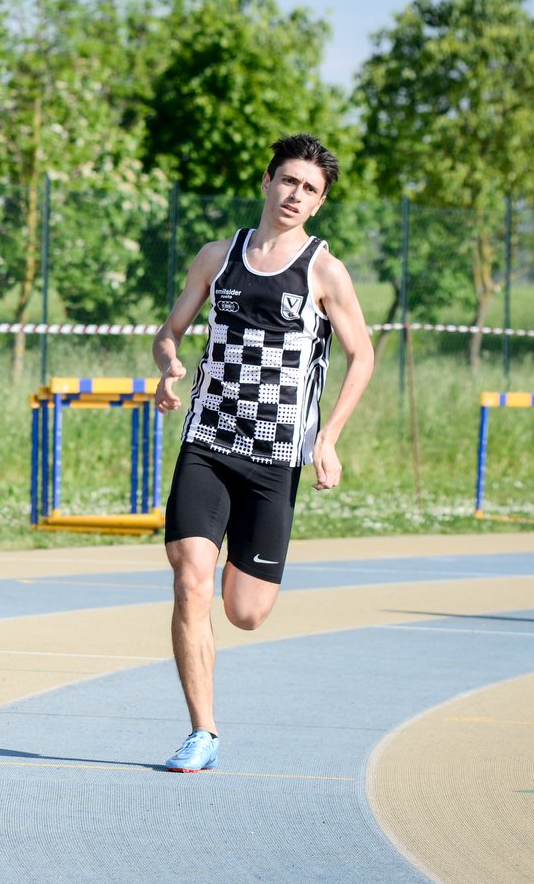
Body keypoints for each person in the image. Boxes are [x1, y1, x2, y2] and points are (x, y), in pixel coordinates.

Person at [152, 134, 374, 772]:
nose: (294, 195)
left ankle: (240, 563)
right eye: (288, 181)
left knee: (244, 612)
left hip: (274, 459)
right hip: (209, 442)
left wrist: (327, 439)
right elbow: (170, 333)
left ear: (319, 202)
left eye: (309, 189)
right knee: (190, 583)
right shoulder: (217, 258)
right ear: (267, 182)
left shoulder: (324, 272)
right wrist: (168, 367)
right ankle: (203, 732)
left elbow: (362, 356)